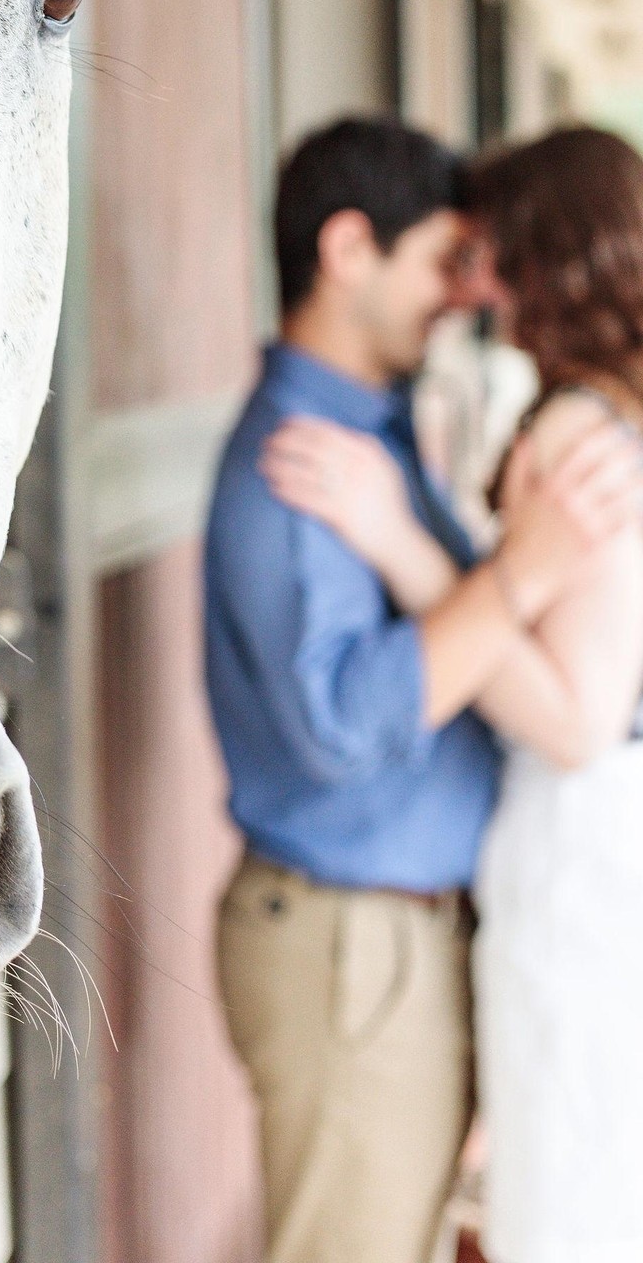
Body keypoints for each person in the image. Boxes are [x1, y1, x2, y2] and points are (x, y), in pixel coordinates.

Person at [205, 116, 639, 1263]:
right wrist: (518, 573)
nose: (469, 295)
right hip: (354, 945)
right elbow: (344, 725)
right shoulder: (302, 459)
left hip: (415, 940)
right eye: (447, 261)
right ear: (350, 250)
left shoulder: (382, 435)